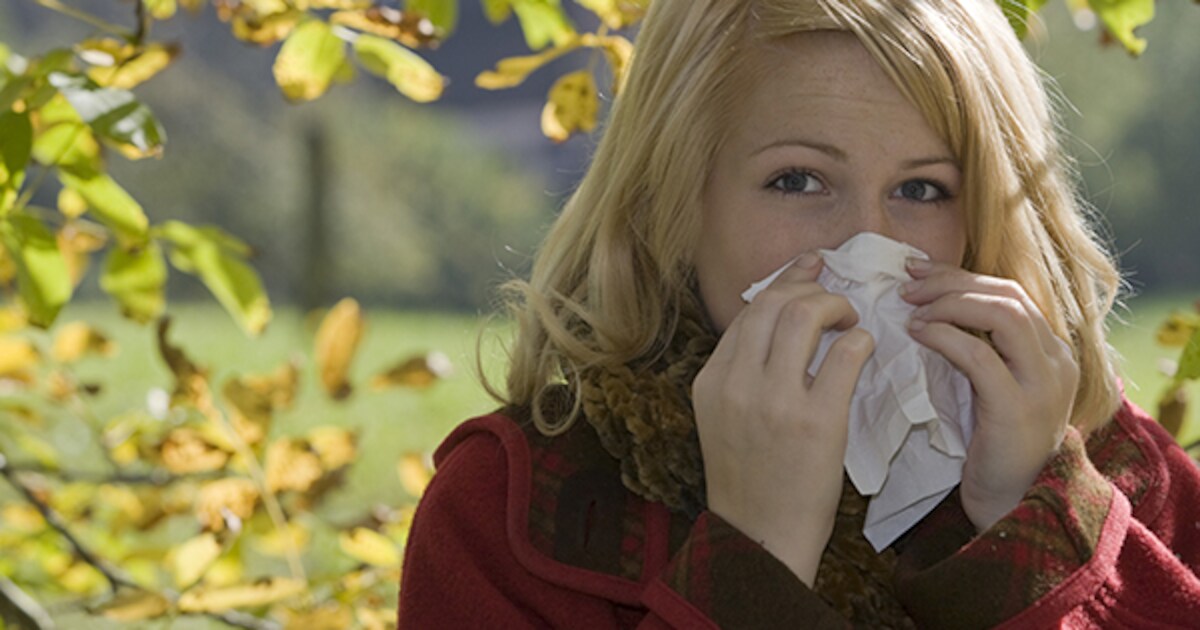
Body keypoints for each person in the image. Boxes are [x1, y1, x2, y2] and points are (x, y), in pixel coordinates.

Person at [398, 0, 1200, 627]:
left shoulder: (1112, 462)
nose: (868, 244)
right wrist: (756, 557)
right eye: (798, 180)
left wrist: (1028, 521)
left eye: (922, 189)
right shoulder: (509, 510)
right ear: (677, 203)